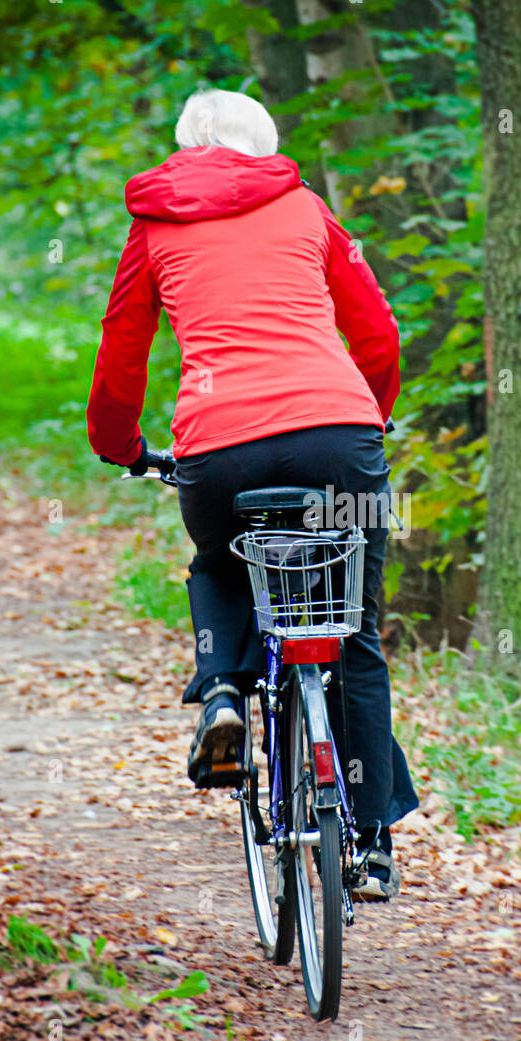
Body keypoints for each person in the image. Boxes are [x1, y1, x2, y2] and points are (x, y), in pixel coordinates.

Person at [86, 88, 418, 899]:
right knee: (354, 632)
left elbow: (123, 346)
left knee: (222, 565)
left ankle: (224, 693)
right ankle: (371, 846)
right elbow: (375, 332)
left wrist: (120, 447)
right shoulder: (305, 208)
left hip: (219, 442)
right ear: (262, 141)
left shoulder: (156, 223)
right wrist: (362, 424)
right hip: (338, 434)